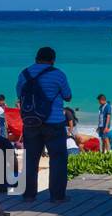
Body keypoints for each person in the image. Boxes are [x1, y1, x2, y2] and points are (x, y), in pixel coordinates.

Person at [16, 45, 72, 202]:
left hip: (30, 122)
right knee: (58, 159)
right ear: (53, 60)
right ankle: (57, 196)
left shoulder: (24, 74)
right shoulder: (58, 74)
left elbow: (19, 94)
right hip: (54, 122)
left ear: (36, 58)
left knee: (31, 159)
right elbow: (68, 96)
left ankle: (28, 195)